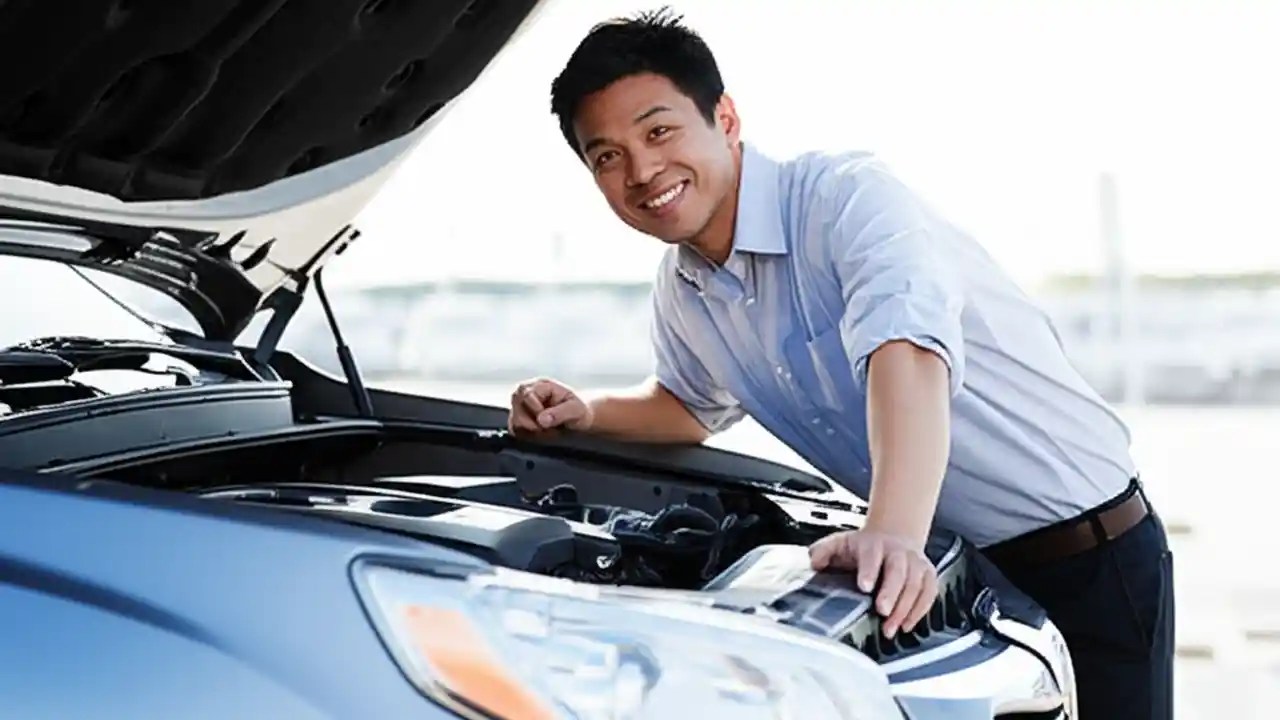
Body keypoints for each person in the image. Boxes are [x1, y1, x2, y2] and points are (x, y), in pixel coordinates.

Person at [508, 7, 1174, 718]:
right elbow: (688, 406)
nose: (641, 170)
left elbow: (908, 352)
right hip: (948, 565)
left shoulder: (846, 200)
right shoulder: (685, 289)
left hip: (1088, 556)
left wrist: (889, 534)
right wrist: (587, 414)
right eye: (606, 155)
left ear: (725, 119)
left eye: (659, 131)